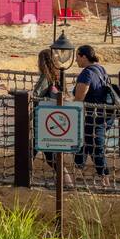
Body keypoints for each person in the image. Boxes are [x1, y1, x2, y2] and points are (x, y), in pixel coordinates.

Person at [31, 49, 74, 187]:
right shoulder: (59, 75)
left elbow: (35, 94)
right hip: (53, 118)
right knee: (48, 153)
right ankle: (66, 181)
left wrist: (12, 92)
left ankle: (25, 178)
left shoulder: (46, 77)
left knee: (39, 151)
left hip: (44, 119)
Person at [72, 44, 114, 186]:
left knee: (95, 146)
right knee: (84, 142)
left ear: (84, 56)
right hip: (104, 116)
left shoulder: (86, 73)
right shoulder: (101, 69)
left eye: (77, 56)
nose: (76, 60)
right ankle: (77, 172)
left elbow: (79, 98)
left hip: (92, 116)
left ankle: (105, 178)